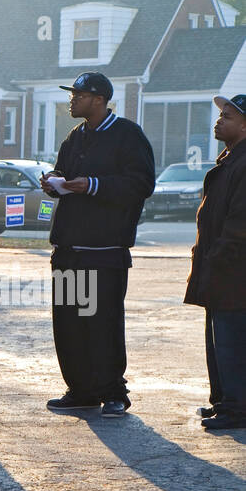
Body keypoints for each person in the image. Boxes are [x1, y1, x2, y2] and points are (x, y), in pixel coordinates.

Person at [40, 72, 155, 417]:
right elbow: (64, 174)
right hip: (68, 250)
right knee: (69, 323)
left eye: (79, 94)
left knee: (101, 322)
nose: (72, 100)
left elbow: (141, 184)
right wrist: (54, 183)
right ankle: (81, 390)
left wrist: (91, 185)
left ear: (99, 99)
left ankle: (112, 391)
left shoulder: (127, 135)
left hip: (104, 252)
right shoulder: (75, 137)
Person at [185, 94, 246, 431]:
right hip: (219, 268)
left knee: (233, 340)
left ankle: (237, 409)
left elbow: (239, 223)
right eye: (220, 114)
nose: (219, 120)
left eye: (228, 116)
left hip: (235, 272)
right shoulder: (230, 160)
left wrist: (218, 258)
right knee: (218, 339)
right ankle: (223, 401)